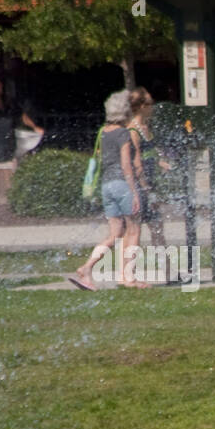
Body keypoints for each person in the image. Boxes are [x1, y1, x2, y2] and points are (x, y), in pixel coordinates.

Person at [67, 91, 143, 291]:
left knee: (115, 234)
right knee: (134, 230)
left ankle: (86, 268)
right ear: (125, 111)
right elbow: (126, 164)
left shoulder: (104, 132)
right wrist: (134, 192)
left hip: (106, 186)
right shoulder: (123, 133)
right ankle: (129, 278)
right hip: (122, 184)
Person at [127, 87, 169, 251]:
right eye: (151, 103)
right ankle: (128, 274)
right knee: (134, 232)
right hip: (140, 188)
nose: (153, 107)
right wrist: (145, 189)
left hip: (150, 185)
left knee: (157, 229)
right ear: (142, 106)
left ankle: (167, 272)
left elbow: (147, 155)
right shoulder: (133, 130)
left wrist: (161, 163)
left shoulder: (145, 128)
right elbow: (136, 163)